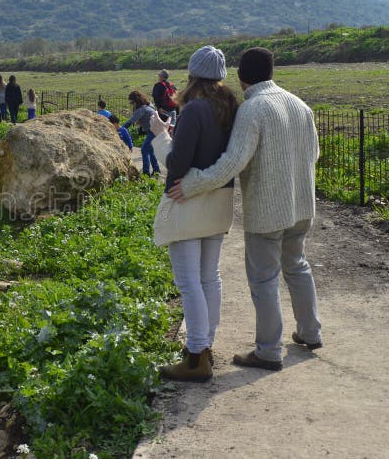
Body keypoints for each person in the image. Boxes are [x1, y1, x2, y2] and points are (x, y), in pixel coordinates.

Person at [166, 47, 322, 372]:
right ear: (272, 70)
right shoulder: (299, 105)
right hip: (302, 205)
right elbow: (314, 153)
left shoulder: (254, 108)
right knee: (297, 266)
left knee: (264, 279)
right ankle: (310, 331)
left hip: (269, 209)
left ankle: (268, 350)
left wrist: (193, 184)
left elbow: (233, 162)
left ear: (241, 77)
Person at [149, 45, 239, 382]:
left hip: (188, 202)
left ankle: (195, 356)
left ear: (192, 75)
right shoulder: (230, 109)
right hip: (219, 203)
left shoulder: (194, 109)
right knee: (209, 277)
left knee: (188, 282)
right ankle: (207, 347)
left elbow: (177, 165)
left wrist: (161, 136)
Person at [123, 90, 160, 176]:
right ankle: (156, 171)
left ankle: (146, 173)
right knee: (150, 151)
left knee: (144, 150)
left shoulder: (141, 109)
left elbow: (130, 122)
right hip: (156, 130)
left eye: (131, 102)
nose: (131, 105)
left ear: (135, 101)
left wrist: (120, 129)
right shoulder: (148, 105)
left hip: (153, 131)